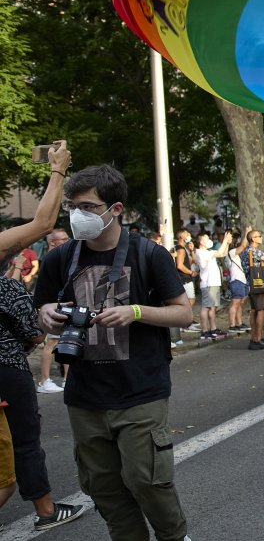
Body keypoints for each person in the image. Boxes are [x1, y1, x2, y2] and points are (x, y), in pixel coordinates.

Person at [34, 164, 193, 539]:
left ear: (116, 209)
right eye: (72, 206)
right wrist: (47, 316)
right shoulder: (59, 259)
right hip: (85, 395)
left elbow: (184, 313)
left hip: (139, 390)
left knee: (146, 479)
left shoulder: (148, 254)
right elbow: (40, 311)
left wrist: (135, 311)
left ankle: (175, 536)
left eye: (88, 207)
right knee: (103, 487)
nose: (78, 215)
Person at [0, 141, 85, 531]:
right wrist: (58, 170)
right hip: (6, 369)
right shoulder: (10, 289)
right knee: (24, 441)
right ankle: (46, 510)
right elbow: (42, 224)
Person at [36, 229, 71, 394]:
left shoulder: (64, 257)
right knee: (52, 343)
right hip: (54, 308)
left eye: (67, 238)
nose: (67, 241)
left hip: (65, 306)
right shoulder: (51, 259)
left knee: (67, 340)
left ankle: (67, 378)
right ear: (52, 243)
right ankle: (44, 380)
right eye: (62, 239)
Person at [193, 231, 234, 340]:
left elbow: (222, 253)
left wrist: (227, 243)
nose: (209, 240)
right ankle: (205, 331)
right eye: (207, 239)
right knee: (206, 307)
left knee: (212, 307)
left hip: (213, 282)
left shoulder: (207, 251)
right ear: (201, 242)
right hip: (208, 283)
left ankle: (213, 329)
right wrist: (224, 241)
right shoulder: (201, 252)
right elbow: (220, 252)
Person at [225, 229, 251, 333]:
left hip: (241, 280)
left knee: (240, 303)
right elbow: (243, 245)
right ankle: (232, 325)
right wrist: (246, 233)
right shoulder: (231, 253)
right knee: (235, 303)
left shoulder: (233, 254)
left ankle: (239, 323)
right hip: (236, 281)